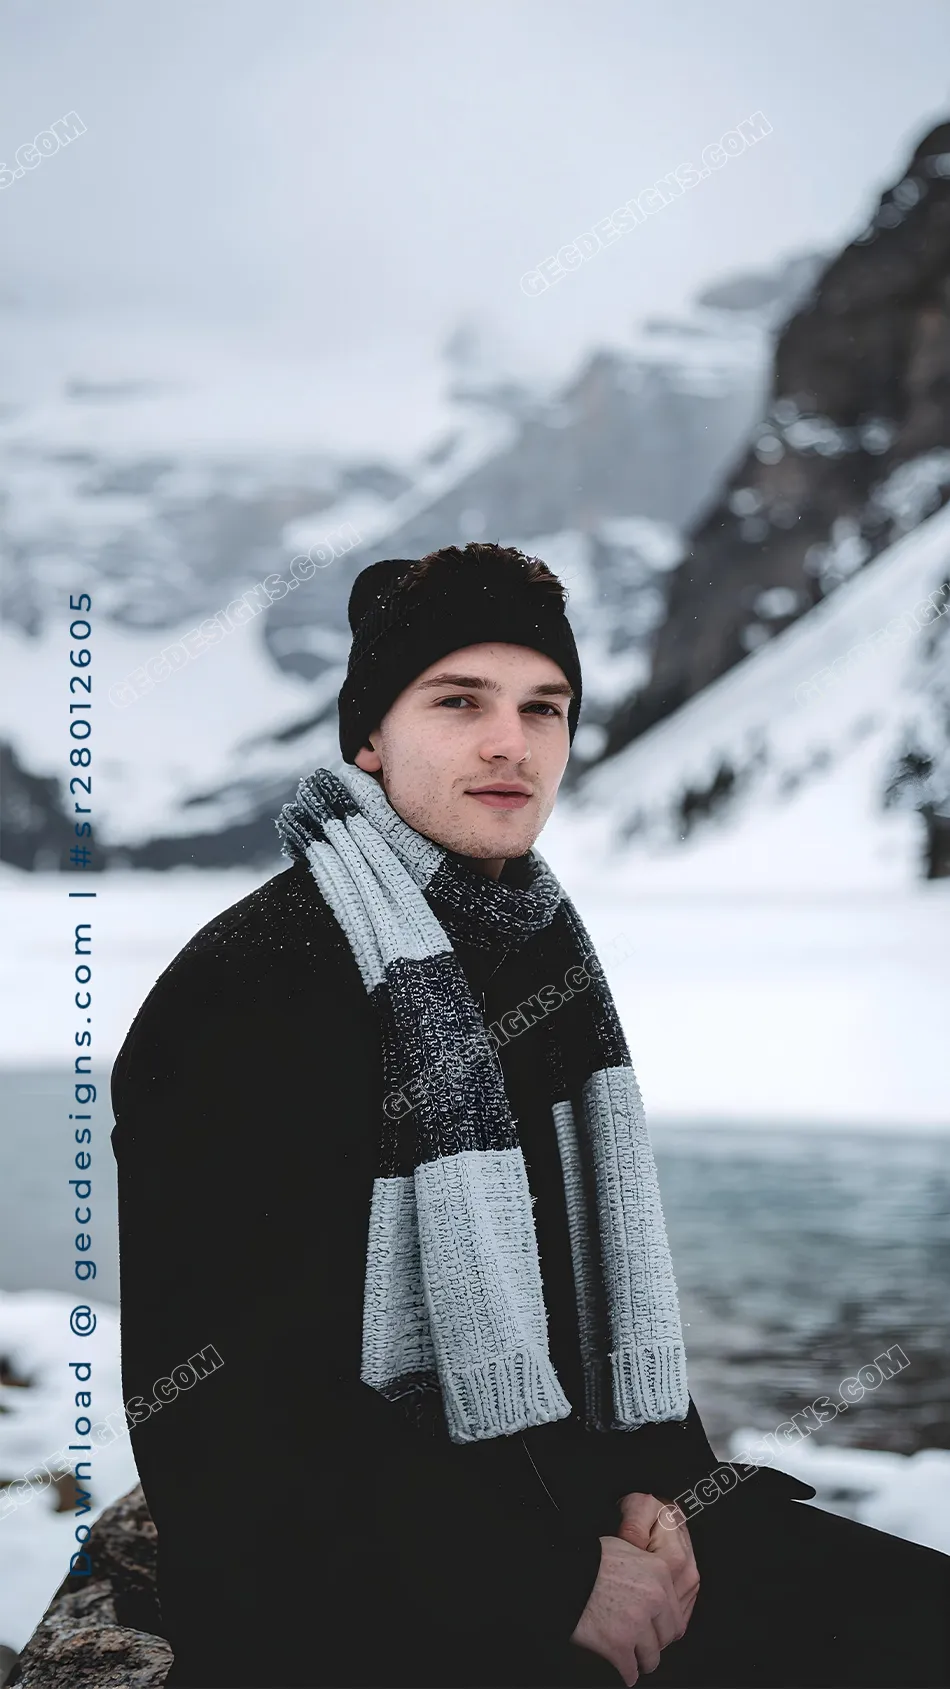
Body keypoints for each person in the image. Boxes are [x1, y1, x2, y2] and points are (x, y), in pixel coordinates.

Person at [111, 543, 950, 1689]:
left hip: (580, 1526)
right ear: (369, 738)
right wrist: (550, 1583)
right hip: (375, 1607)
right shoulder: (252, 988)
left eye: (543, 707)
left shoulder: (532, 957)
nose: (513, 743)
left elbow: (586, 1318)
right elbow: (229, 1423)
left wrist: (664, 1497)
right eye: (458, 702)